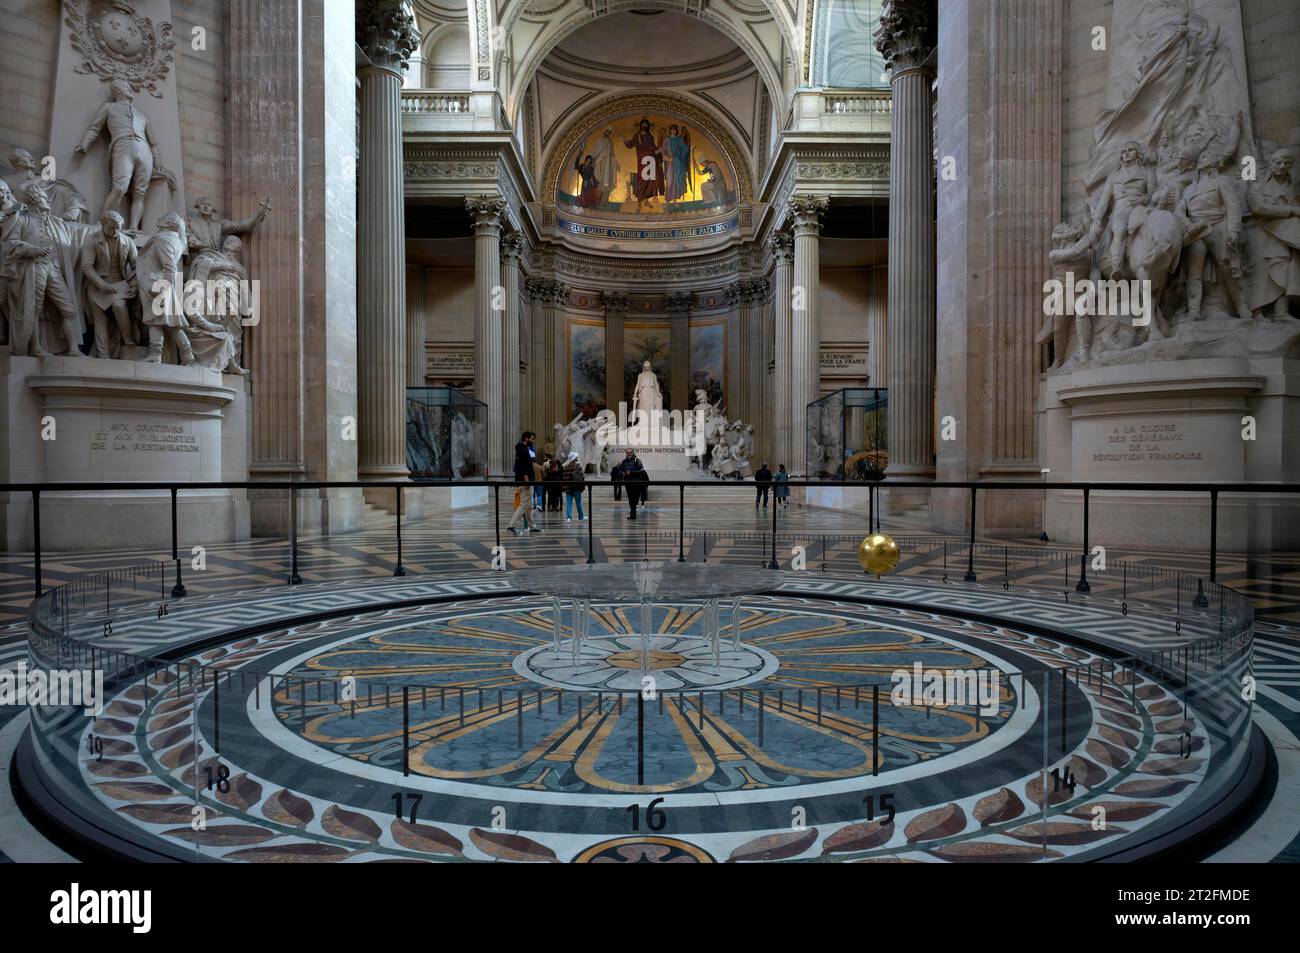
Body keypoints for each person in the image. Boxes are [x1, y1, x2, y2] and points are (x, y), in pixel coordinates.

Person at [562, 451, 586, 522]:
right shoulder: (577, 466)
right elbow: (582, 475)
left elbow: (564, 477)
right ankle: (581, 517)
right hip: (576, 487)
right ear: (575, 459)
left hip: (568, 488)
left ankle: (569, 517)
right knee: (578, 503)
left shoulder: (565, 467)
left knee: (568, 503)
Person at [623, 455, 649, 520]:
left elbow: (647, 480)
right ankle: (634, 512)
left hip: (639, 485)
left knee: (634, 499)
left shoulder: (641, 471)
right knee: (633, 499)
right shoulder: (640, 470)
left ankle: (634, 512)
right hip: (636, 485)